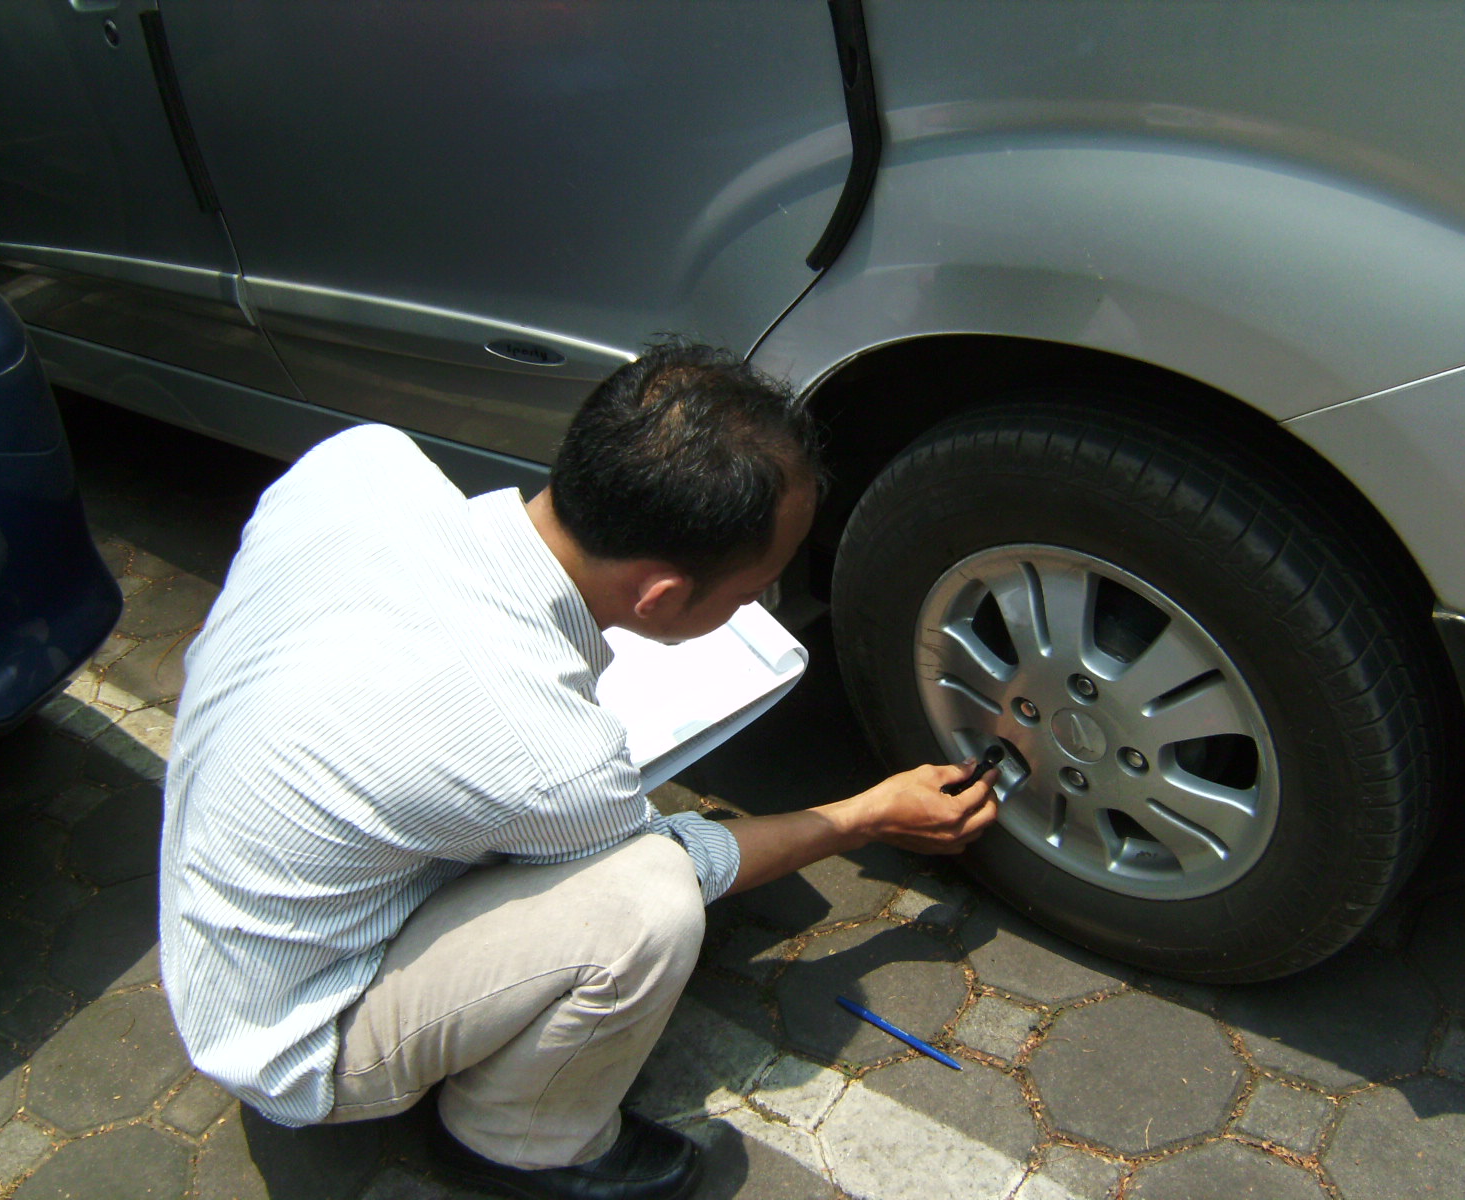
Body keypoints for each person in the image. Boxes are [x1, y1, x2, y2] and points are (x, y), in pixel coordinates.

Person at [158, 342, 999, 1200]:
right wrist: (864, 815)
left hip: (223, 902)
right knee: (647, 905)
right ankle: (520, 1140)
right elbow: (690, 862)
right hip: (291, 1031)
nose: (767, 605)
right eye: (758, 589)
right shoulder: (547, 754)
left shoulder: (360, 463)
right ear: (662, 598)